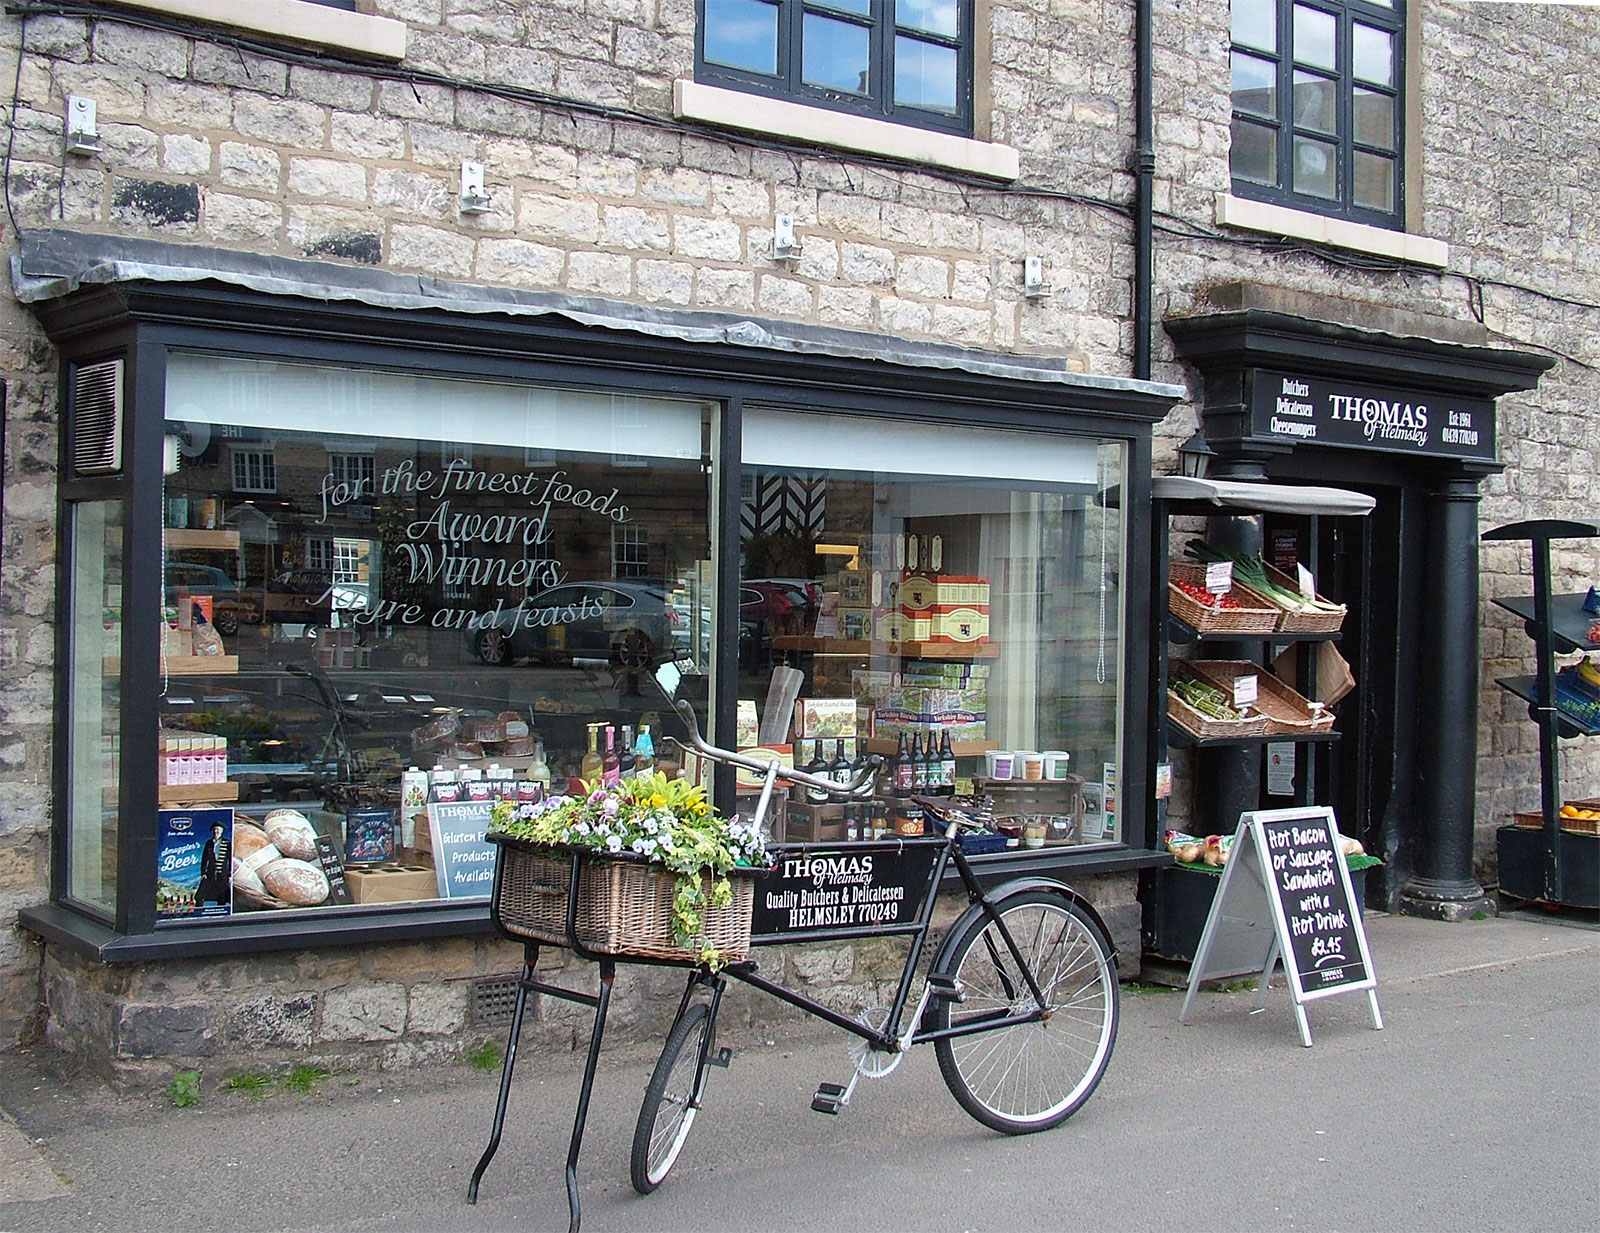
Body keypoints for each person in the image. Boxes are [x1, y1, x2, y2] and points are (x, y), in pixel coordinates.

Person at [196, 822, 230, 907]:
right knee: (200, 895)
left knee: (222, 895)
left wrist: (230, 874)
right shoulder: (209, 843)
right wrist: (203, 873)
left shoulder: (227, 842)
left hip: (222, 873)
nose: (216, 831)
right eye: (214, 829)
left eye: (218, 829)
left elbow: (231, 859)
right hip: (210, 872)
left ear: (222, 831)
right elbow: (204, 859)